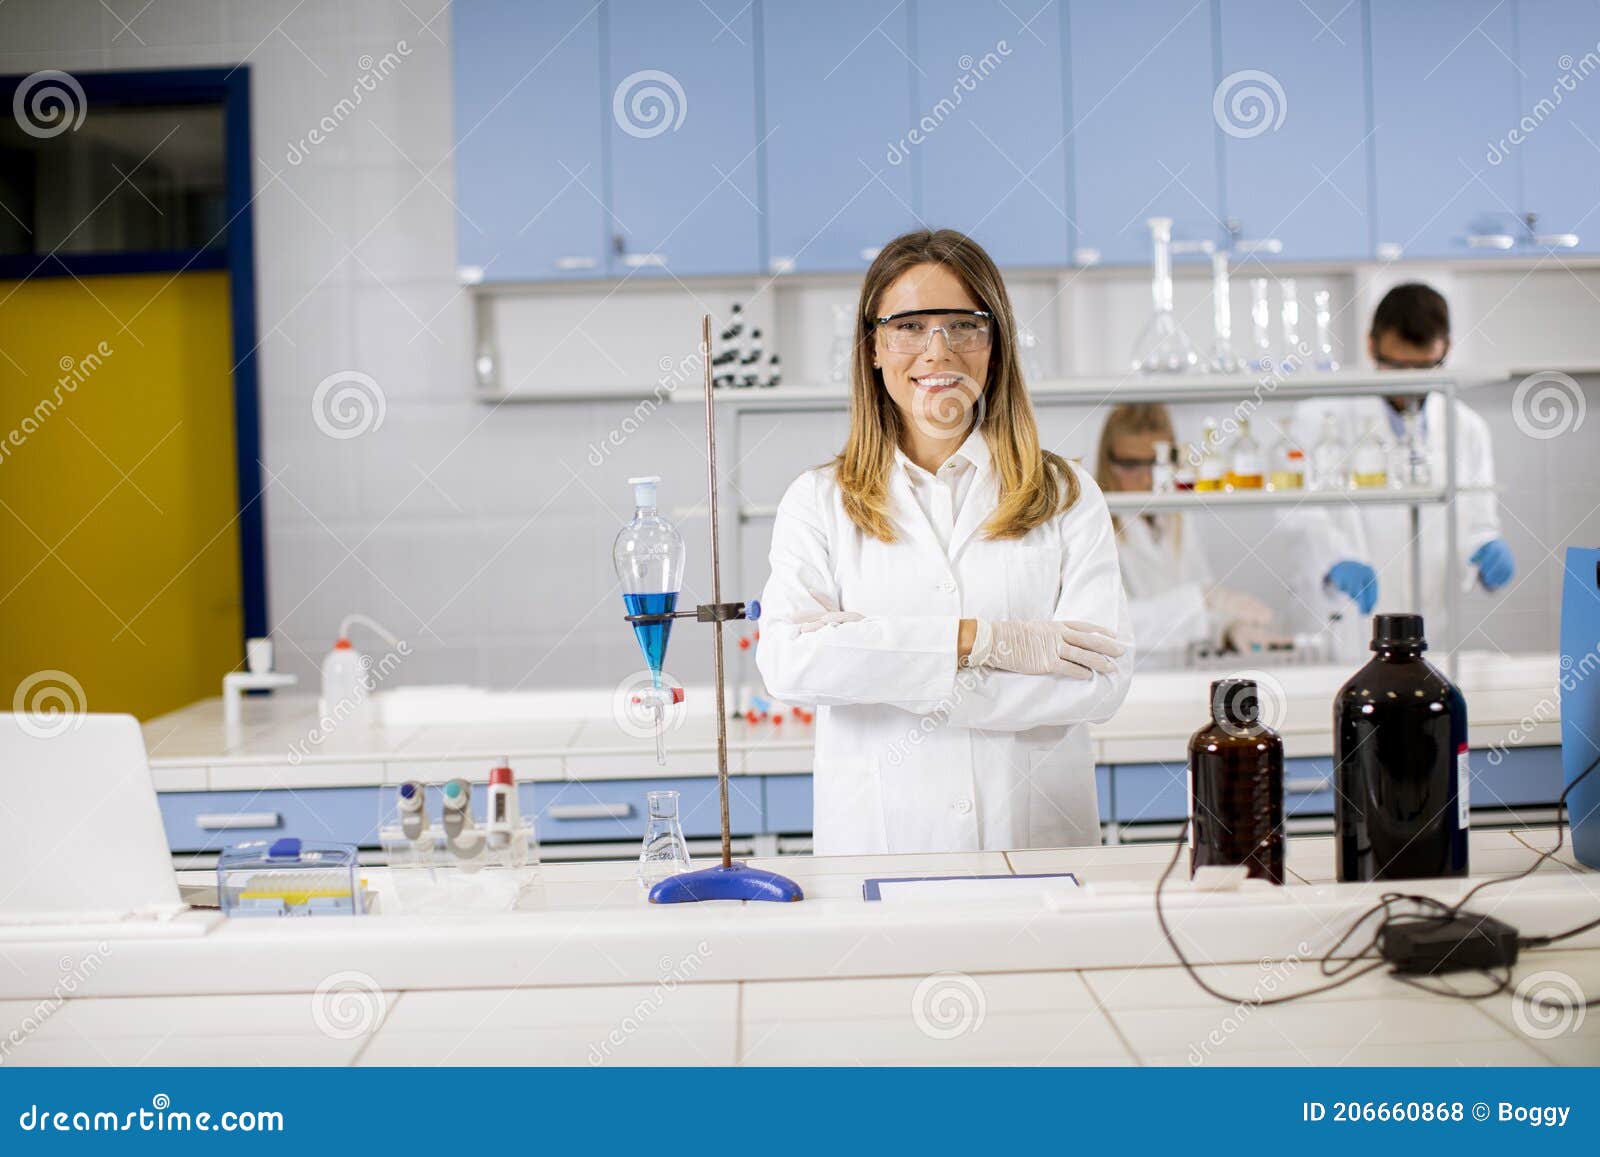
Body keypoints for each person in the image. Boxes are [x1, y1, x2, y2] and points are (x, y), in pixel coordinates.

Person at [756, 229, 1133, 855]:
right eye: (908, 326)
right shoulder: (817, 501)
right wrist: (980, 641)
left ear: (995, 345)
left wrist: (877, 661)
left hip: (1039, 855)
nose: (938, 352)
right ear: (873, 347)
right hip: (880, 856)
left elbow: (1100, 681)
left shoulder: (1066, 493)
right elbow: (790, 663)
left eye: (964, 325)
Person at [1290, 283, 1514, 638]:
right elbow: (1298, 513)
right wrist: (1333, 560)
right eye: (1397, 366)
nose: (1409, 381)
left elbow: (1478, 520)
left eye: (1424, 367)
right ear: (1371, 345)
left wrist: (1486, 548)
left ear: (1446, 349)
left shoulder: (1466, 427)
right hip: (1346, 625)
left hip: (1431, 625)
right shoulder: (1319, 418)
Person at [1094, 403, 1282, 666]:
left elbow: (1198, 614)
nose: (1148, 479)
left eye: (1158, 463)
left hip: (1184, 670)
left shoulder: (1178, 516)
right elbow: (1112, 624)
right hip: (1130, 678)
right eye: (1131, 465)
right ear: (1107, 462)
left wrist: (1227, 629)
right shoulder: (1093, 526)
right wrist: (1202, 597)